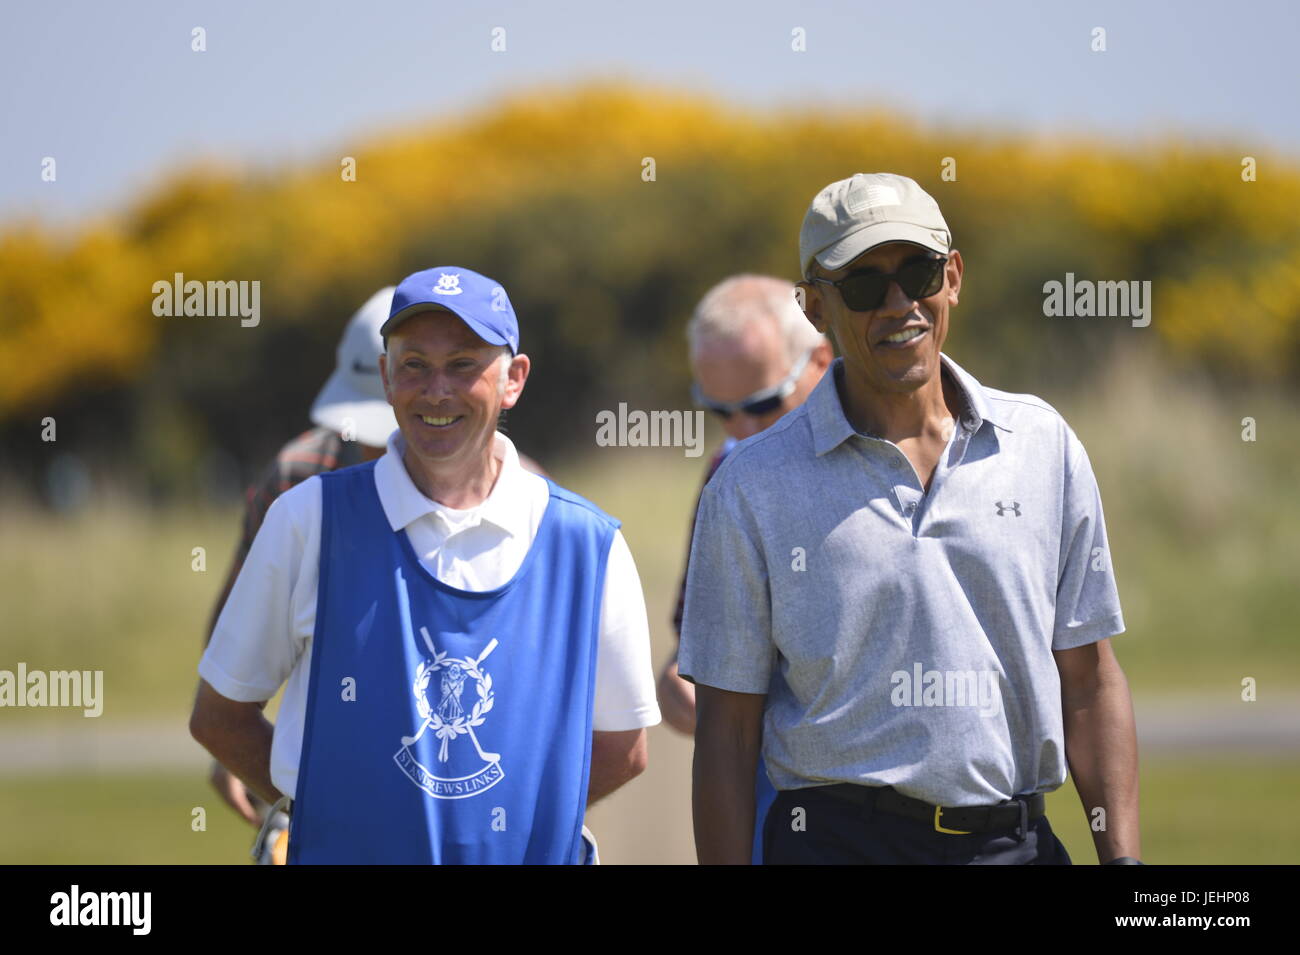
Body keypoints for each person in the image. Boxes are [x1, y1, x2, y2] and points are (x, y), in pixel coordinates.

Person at [680, 173, 1142, 865]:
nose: (900, 305)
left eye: (918, 272)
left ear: (952, 276)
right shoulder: (749, 486)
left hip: (1011, 843)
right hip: (834, 843)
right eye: (864, 285)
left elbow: (1090, 678)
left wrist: (1125, 864)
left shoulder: (1042, 446)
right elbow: (728, 730)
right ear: (814, 308)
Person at [191, 266, 661, 864]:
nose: (436, 389)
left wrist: (510, 829)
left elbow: (624, 747)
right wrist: (335, 819)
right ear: (387, 377)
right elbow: (220, 715)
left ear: (514, 378)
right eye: (415, 364)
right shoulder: (305, 517)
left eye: (464, 363)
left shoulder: (588, 543)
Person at [203, 286, 397, 830]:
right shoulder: (296, 475)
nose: (374, 450)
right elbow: (233, 636)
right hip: (322, 766)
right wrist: (234, 749)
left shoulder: (510, 489)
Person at [655, 275, 831, 863]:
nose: (741, 431)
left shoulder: (895, 454)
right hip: (772, 806)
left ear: (822, 361)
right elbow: (692, 646)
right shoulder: (726, 472)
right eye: (718, 410)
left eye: (761, 404)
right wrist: (679, 685)